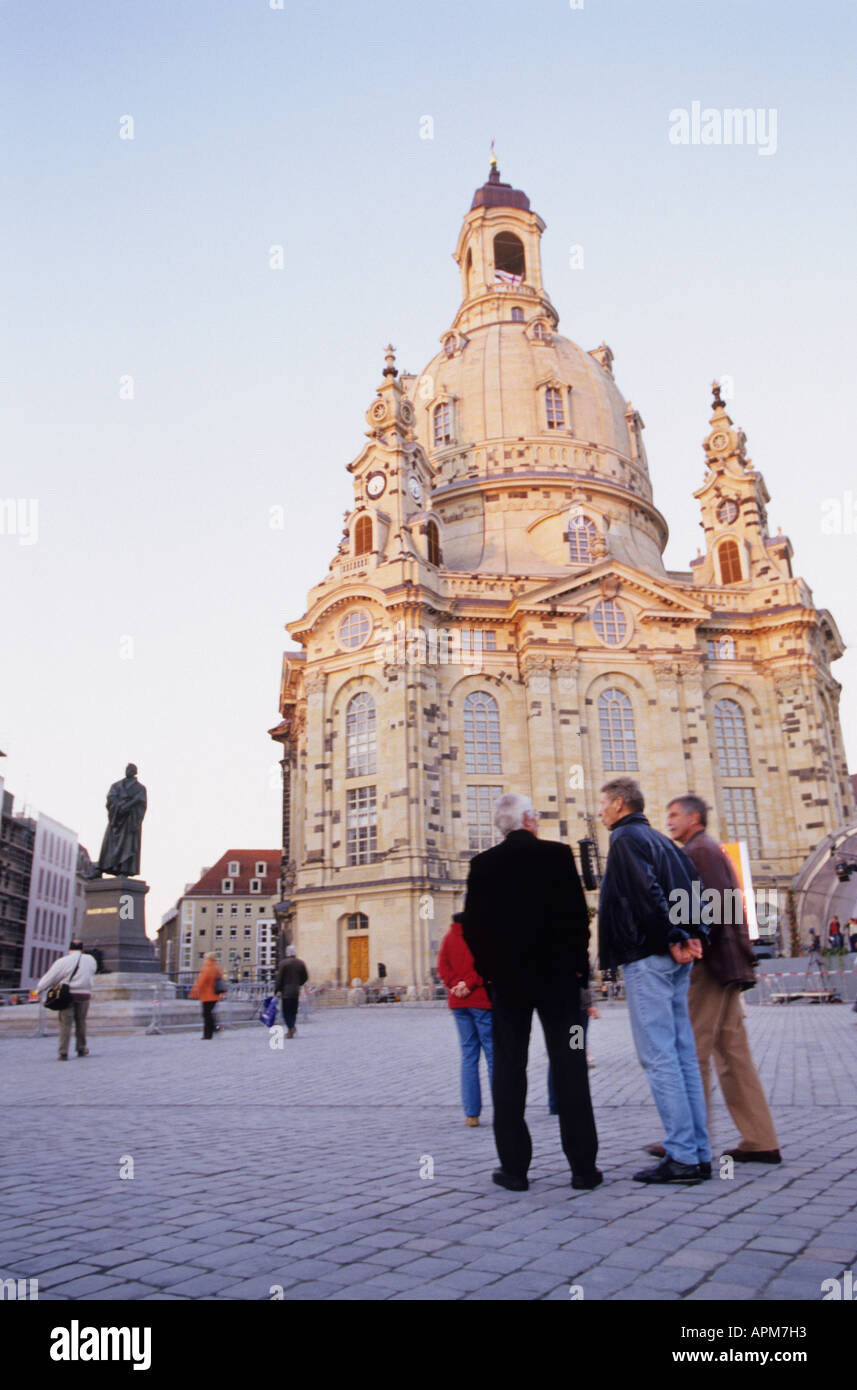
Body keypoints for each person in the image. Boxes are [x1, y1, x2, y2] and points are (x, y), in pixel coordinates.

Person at [462, 793, 600, 1193]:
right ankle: (583, 1169)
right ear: (527, 819)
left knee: (507, 1070)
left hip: (507, 988)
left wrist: (490, 974)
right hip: (559, 985)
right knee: (571, 1065)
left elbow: (473, 929)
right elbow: (578, 920)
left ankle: (515, 1169)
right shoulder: (558, 856)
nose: (537, 820)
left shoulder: (482, 865)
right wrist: (577, 971)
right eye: (535, 815)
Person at [597, 777, 711, 1185]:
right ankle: (698, 1153)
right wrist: (695, 934)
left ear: (620, 804)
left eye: (604, 804)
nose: (600, 812)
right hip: (674, 959)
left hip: (648, 957)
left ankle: (681, 1156)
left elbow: (646, 894)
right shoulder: (663, 841)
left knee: (660, 1057)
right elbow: (695, 891)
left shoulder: (626, 839)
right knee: (681, 1056)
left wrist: (676, 936)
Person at [659, 795, 781, 1166]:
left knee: (692, 1050)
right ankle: (761, 1139)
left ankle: (689, 1139)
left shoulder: (699, 852)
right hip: (725, 962)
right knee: (732, 1053)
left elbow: (706, 907)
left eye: (675, 815)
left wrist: (682, 936)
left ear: (694, 817)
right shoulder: (707, 849)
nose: (669, 821)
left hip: (709, 964)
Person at [437, 912, 493, 1126]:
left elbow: (442, 968)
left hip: (458, 1002)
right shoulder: (481, 935)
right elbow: (484, 966)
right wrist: (468, 984)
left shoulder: (448, 938)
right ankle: (503, 1108)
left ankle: (471, 1114)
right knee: (492, 1056)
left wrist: (455, 985)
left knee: (468, 1057)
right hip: (480, 1001)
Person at [37, 938, 98, 1060]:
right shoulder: (91, 960)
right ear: (82, 948)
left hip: (68, 995)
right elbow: (92, 973)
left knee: (65, 1024)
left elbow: (51, 976)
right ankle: (81, 1048)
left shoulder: (63, 961)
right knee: (81, 1023)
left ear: (70, 949)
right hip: (84, 995)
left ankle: (63, 1052)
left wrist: (39, 989)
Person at [547, 985, 598, 1112]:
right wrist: (589, 1003)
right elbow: (582, 977)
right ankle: (575, 1099)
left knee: (557, 1053)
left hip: (552, 1006)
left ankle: (555, 1102)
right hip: (576, 1008)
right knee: (575, 1053)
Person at [274, 944, 308, 1038]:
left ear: (287, 952)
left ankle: (291, 1027)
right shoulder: (301, 963)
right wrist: (298, 983)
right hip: (295, 991)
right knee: (293, 1011)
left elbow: (279, 979)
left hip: (286, 992)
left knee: (286, 1012)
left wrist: (276, 990)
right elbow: (305, 977)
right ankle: (290, 1031)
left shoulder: (283, 963)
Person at [189, 952, 226, 1039]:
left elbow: (201, 981)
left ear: (208, 959)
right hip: (215, 995)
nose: (204, 960)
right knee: (209, 1013)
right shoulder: (216, 967)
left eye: (205, 958)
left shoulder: (207, 968)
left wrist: (194, 992)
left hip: (207, 995)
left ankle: (209, 1033)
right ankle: (214, 1029)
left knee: (206, 1015)